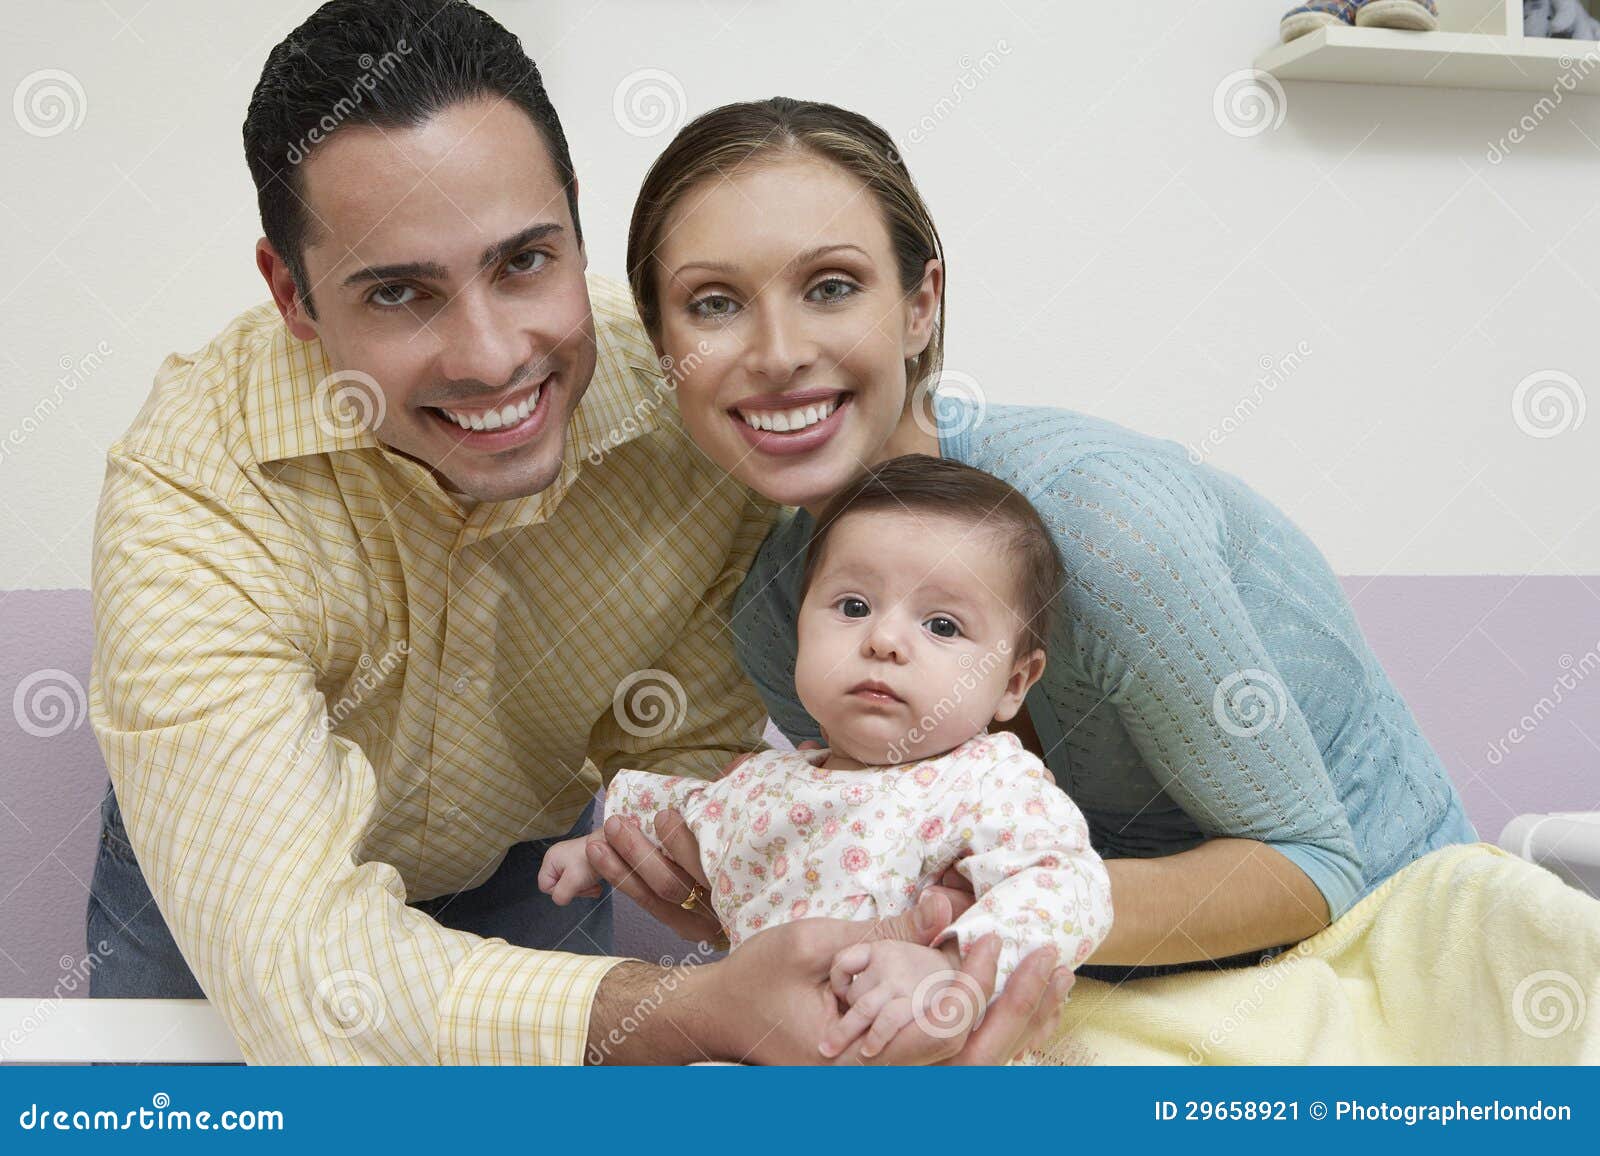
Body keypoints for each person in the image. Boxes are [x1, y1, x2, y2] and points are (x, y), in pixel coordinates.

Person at [85, 3, 1067, 1065]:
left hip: (525, 868)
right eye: (401, 292)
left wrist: (878, 913)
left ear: (577, 225)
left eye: (523, 262)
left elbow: (699, 764)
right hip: (232, 897)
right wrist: (687, 1008)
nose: (493, 354)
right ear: (294, 295)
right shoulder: (191, 490)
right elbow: (299, 965)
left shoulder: (699, 412)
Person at [608, 96, 1479, 982]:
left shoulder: (1107, 531)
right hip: (1099, 1003)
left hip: (1391, 965)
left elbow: (1311, 868)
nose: (778, 352)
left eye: (832, 286)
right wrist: (753, 891)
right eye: (713, 304)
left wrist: (980, 923)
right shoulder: (776, 613)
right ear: (663, 344)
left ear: (920, 305)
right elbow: (890, 861)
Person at [541, 456, 1114, 1059]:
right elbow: (683, 813)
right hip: (763, 1046)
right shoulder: (760, 783)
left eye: (942, 624)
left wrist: (949, 963)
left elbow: (1067, 884)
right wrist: (597, 846)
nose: (884, 640)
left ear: (1015, 683)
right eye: (853, 607)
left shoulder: (990, 782)